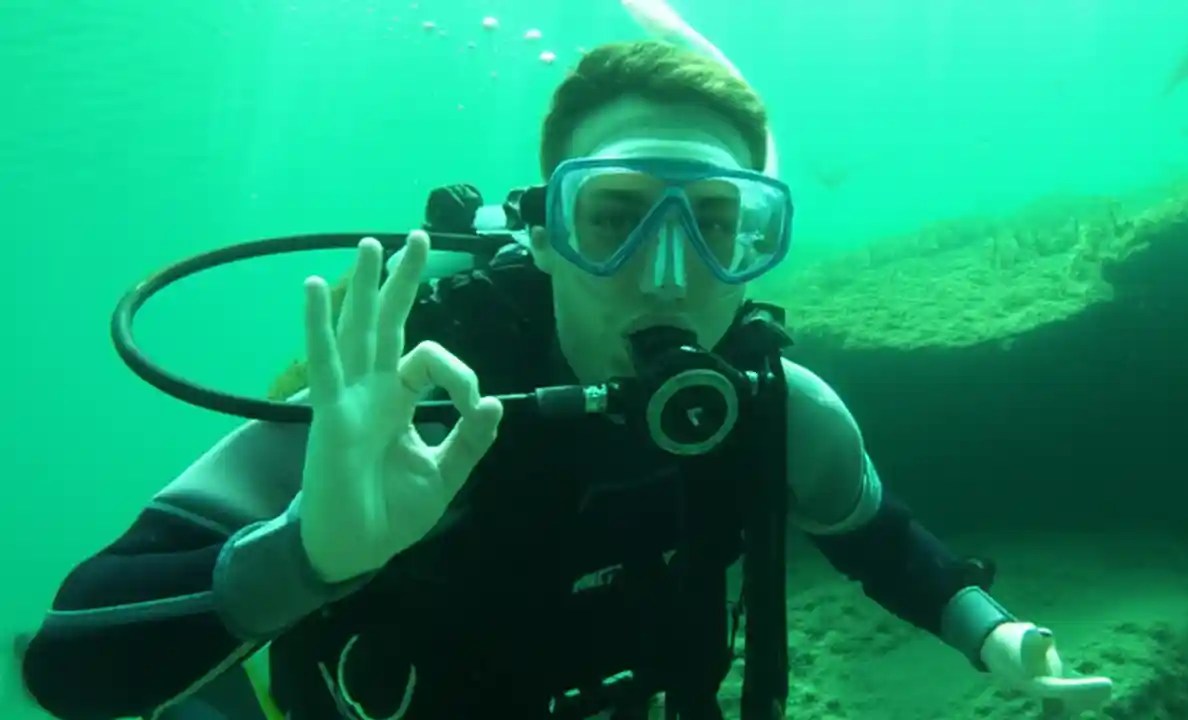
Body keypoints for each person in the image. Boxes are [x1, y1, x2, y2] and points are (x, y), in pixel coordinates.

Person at [20, 39, 1113, 720]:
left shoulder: (780, 410)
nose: (669, 273)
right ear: (543, 235)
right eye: (614, 217)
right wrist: (308, 556)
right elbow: (69, 665)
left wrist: (988, 630)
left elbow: (875, 536)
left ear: (756, 247)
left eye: (717, 225)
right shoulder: (405, 404)